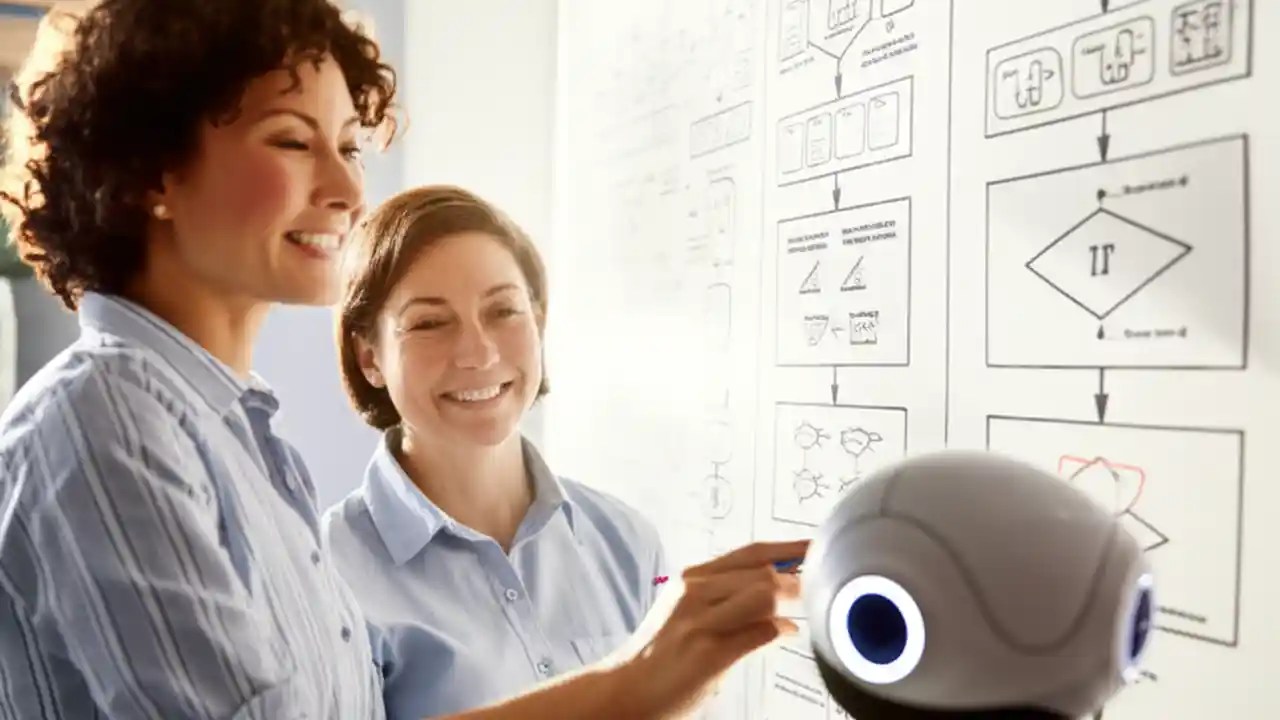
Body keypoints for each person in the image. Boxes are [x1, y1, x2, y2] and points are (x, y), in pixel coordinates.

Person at [0, 1, 805, 718]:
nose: (350, 187)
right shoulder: (108, 422)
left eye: (350, 144)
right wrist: (638, 679)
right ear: (149, 171)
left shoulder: (242, 440)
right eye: (292, 139)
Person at [322, 184, 669, 718]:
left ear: (539, 321)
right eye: (430, 323)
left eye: (503, 311)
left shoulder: (629, 542)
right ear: (369, 356)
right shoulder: (327, 573)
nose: (478, 352)